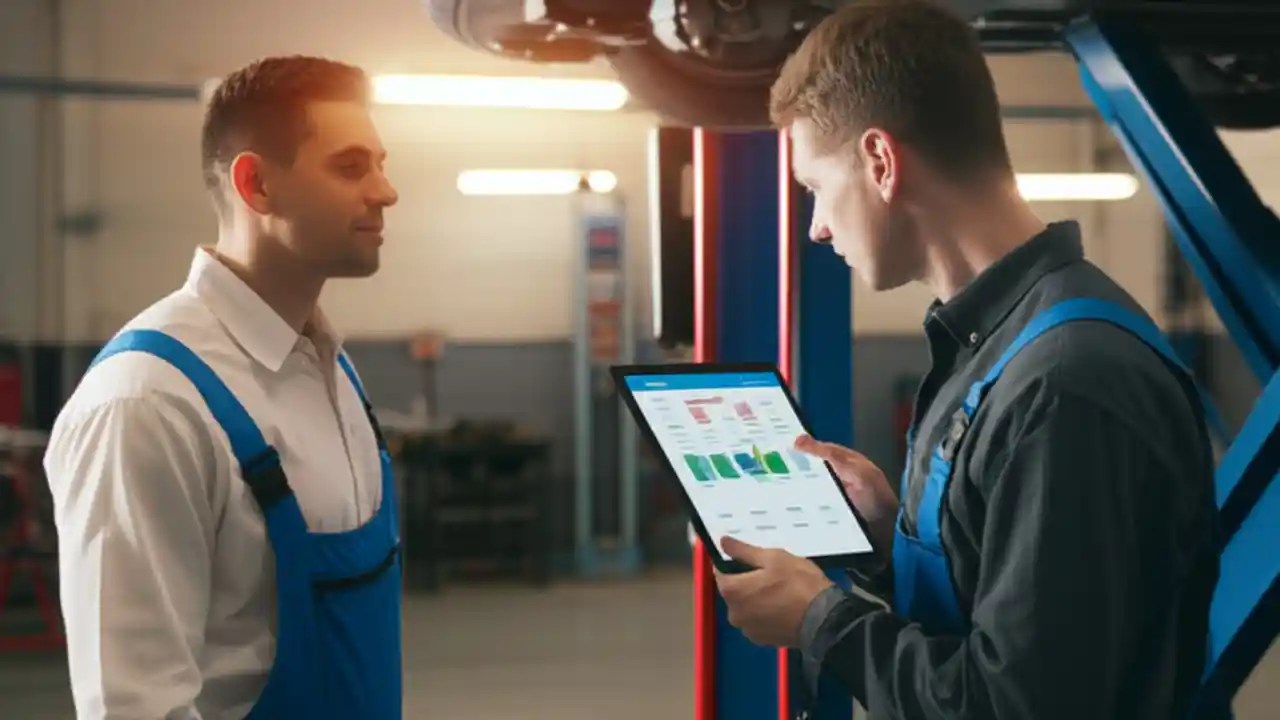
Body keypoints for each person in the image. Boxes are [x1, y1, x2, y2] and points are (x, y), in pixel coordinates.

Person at [712, 1, 1219, 718]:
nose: (818, 227)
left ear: (881, 162)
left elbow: (1018, 705)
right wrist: (890, 543)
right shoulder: (1001, 345)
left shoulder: (1067, 384)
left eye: (816, 189)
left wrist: (821, 620)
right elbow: (1008, 610)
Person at [43, 56, 402, 719]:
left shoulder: (332, 371)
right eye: (352, 167)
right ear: (257, 185)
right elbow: (134, 707)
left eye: (381, 164)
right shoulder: (147, 403)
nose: (386, 192)